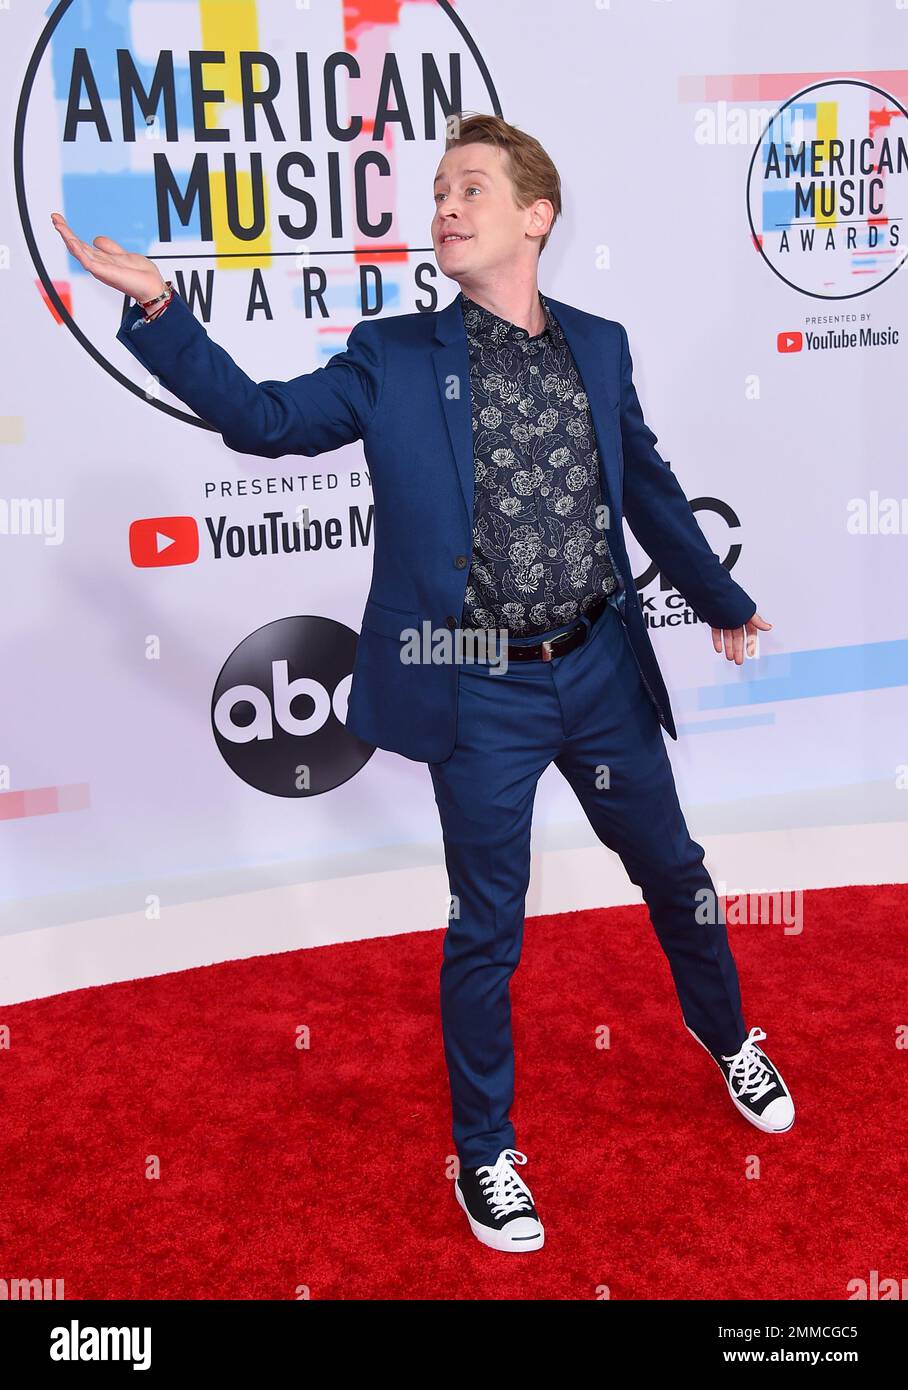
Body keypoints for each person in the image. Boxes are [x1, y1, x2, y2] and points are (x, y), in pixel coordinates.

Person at [51, 112, 794, 1256]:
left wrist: (722, 603)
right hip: (474, 683)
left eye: (470, 190)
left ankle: (727, 1034)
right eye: (437, 191)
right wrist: (161, 308)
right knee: (485, 927)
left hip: (596, 662)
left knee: (676, 871)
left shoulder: (598, 344)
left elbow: (647, 486)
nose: (444, 207)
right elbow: (264, 422)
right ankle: (487, 1155)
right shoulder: (392, 357)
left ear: (534, 218)